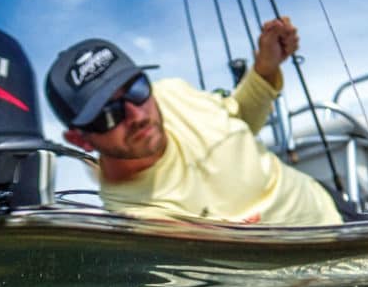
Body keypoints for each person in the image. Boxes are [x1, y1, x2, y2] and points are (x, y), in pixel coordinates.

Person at [45, 17, 343, 226]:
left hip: (332, 214)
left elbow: (240, 119)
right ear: (80, 140)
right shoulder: (132, 216)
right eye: (109, 113)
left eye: (137, 89)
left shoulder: (172, 92)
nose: (137, 115)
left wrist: (265, 67)